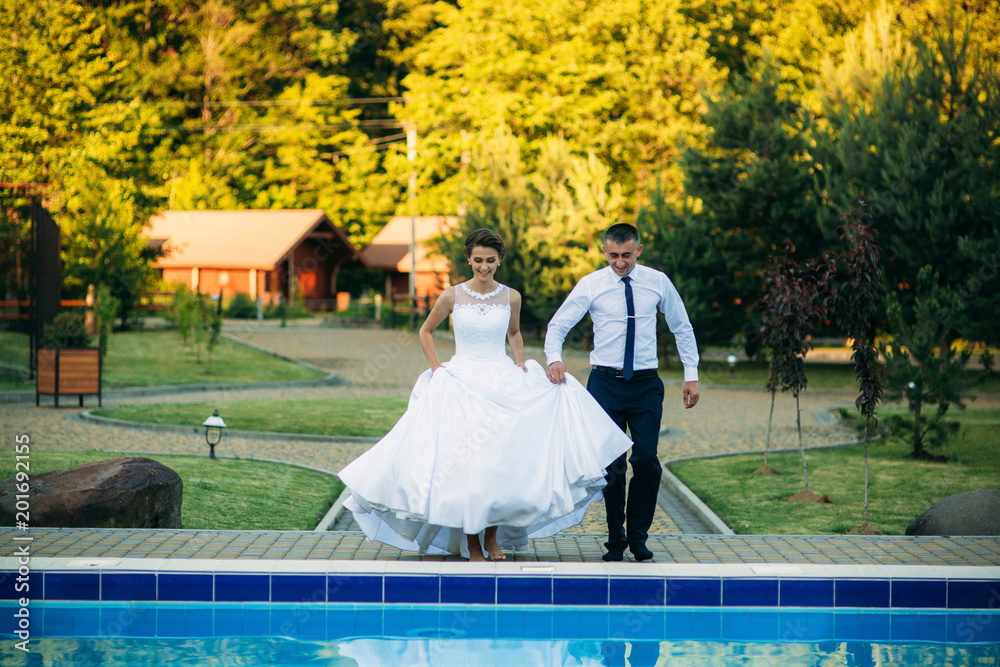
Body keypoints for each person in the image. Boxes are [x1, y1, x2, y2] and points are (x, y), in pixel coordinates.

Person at [338, 229, 633, 561]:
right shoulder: (451, 296)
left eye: (490, 261)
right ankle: (472, 543)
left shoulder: (512, 297)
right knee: (467, 465)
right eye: (478, 260)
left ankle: (492, 538)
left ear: (500, 260)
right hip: (461, 381)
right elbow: (425, 331)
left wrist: (521, 361)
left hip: (501, 379)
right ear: (468, 259)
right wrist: (437, 368)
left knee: (498, 463)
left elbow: (515, 332)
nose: (483, 267)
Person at [544, 223, 700, 562]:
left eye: (626, 255)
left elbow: (681, 327)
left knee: (646, 458)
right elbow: (557, 325)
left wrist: (692, 374)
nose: (619, 262)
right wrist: (554, 359)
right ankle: (616, 538)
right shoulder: (591, 284)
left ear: (638, 250)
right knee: (612, 466)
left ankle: (639, 536)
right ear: (604, 251)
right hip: (605, 385)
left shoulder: (658, 282)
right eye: (613, 255)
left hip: (645, 384)